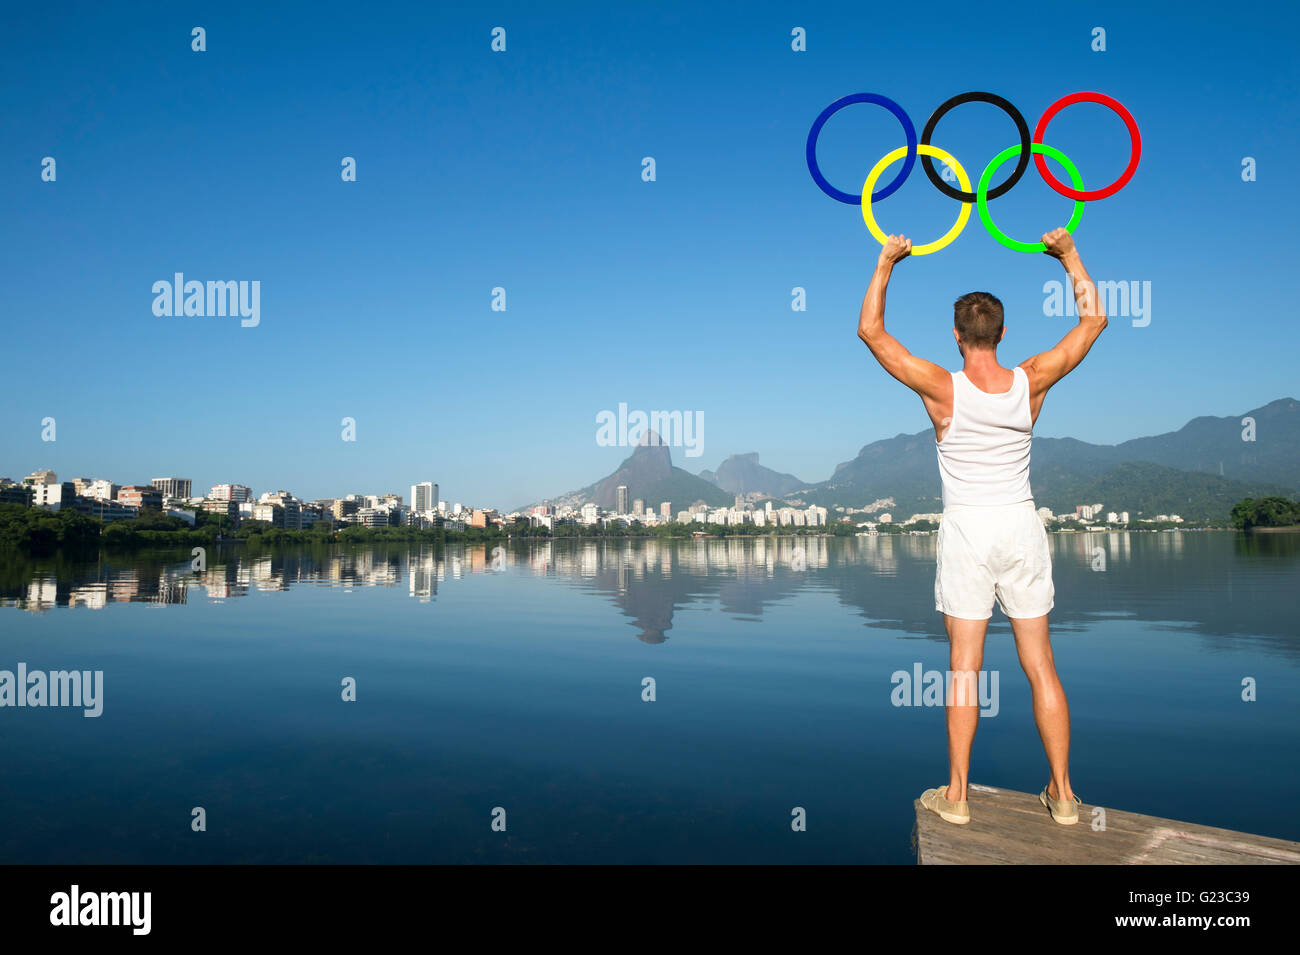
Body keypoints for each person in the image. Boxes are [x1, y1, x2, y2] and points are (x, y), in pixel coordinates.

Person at [857, 228, 1108, 826]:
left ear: (956, 335)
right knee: (1041, 665)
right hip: (1022, 528)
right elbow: (1093, 321)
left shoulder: (944, 389)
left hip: (968, 533)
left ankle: (959, 797)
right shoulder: (1031, 380)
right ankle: (1065, 796)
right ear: (1000, 333)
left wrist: (887, 259)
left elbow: (871, 332)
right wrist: (1069, 254)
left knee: (964, 669)